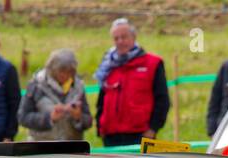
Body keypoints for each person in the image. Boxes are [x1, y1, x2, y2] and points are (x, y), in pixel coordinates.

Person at [95, 18, 169, 148]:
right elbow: (101, 100)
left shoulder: (153, 64)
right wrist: (100, 127)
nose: (120, 42)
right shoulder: (107, 66)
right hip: (111, 137)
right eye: (116, 38)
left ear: (134, 37)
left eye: (124, 37)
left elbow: (162, 100)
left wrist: (153, 129)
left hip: (140, 135)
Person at [18, 49, 93, 141]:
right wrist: (49, 118)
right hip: (40, 147)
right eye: (62, 71)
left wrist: (78, 117)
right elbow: (23, 117)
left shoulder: (78, 87)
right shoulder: (36, 85)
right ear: (52, 69)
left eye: (69, 71)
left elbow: (88, 121)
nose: (65, 75)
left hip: (72, 148)